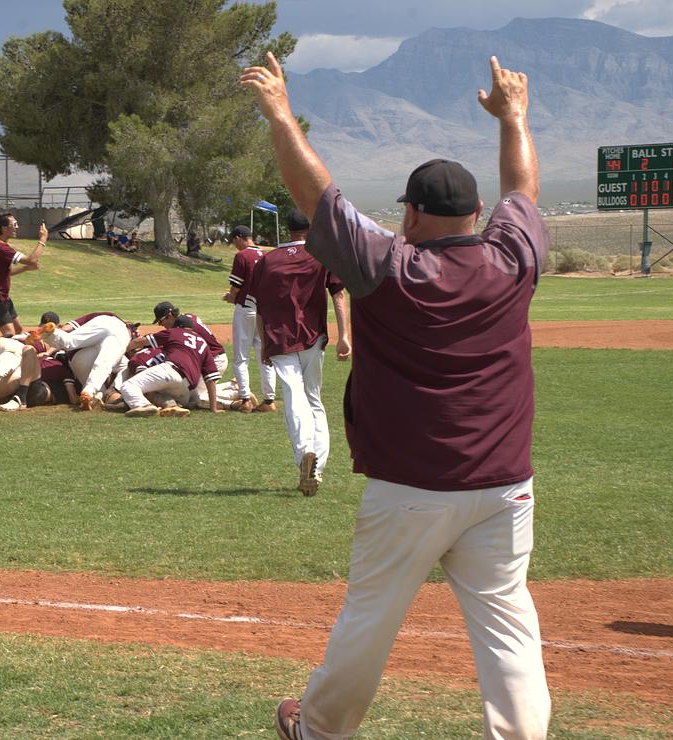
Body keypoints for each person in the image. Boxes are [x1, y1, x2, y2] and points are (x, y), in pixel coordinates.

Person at [242, 53, 552, 739]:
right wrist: (515, 117)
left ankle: (319, 730)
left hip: (410, 487)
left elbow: (318, 193)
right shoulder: (513, 259)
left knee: (370, 618)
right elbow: (522, 191)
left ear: (409, 216)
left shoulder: (388, 267)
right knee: (508, 624)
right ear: (478, 213)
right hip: (505, 487)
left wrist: (280, 114)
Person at [250, 209, 350, 496]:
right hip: (312, 337)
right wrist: (344, 336)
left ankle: (304, 453)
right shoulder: (322, 255)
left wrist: (265, 346)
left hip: (279, 339)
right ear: (311, 228)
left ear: (288, 231)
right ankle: (315, 470)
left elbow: (259, 307)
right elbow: (339, 296)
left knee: (293, 396)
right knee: (313, 399)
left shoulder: (267, 260)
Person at [223, 224, 277, 413]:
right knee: (264, 355)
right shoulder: (266, 255)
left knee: (241, 357)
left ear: (238, 238)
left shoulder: (242, 255)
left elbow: (236, 286)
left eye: (234, 241)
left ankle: (245, 399)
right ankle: (269, 401)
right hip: (264, 310)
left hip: (245, 308)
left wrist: (231, 296)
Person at [0, 212, 46, 338]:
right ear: (4, 228)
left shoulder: (0, 245)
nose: (17, 227)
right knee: (9, 333)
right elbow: (31, 259)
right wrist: (42, 239)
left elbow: (8, 272)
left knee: (19, 331)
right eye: (14, 224)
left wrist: (26, 268)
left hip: (3, 297)